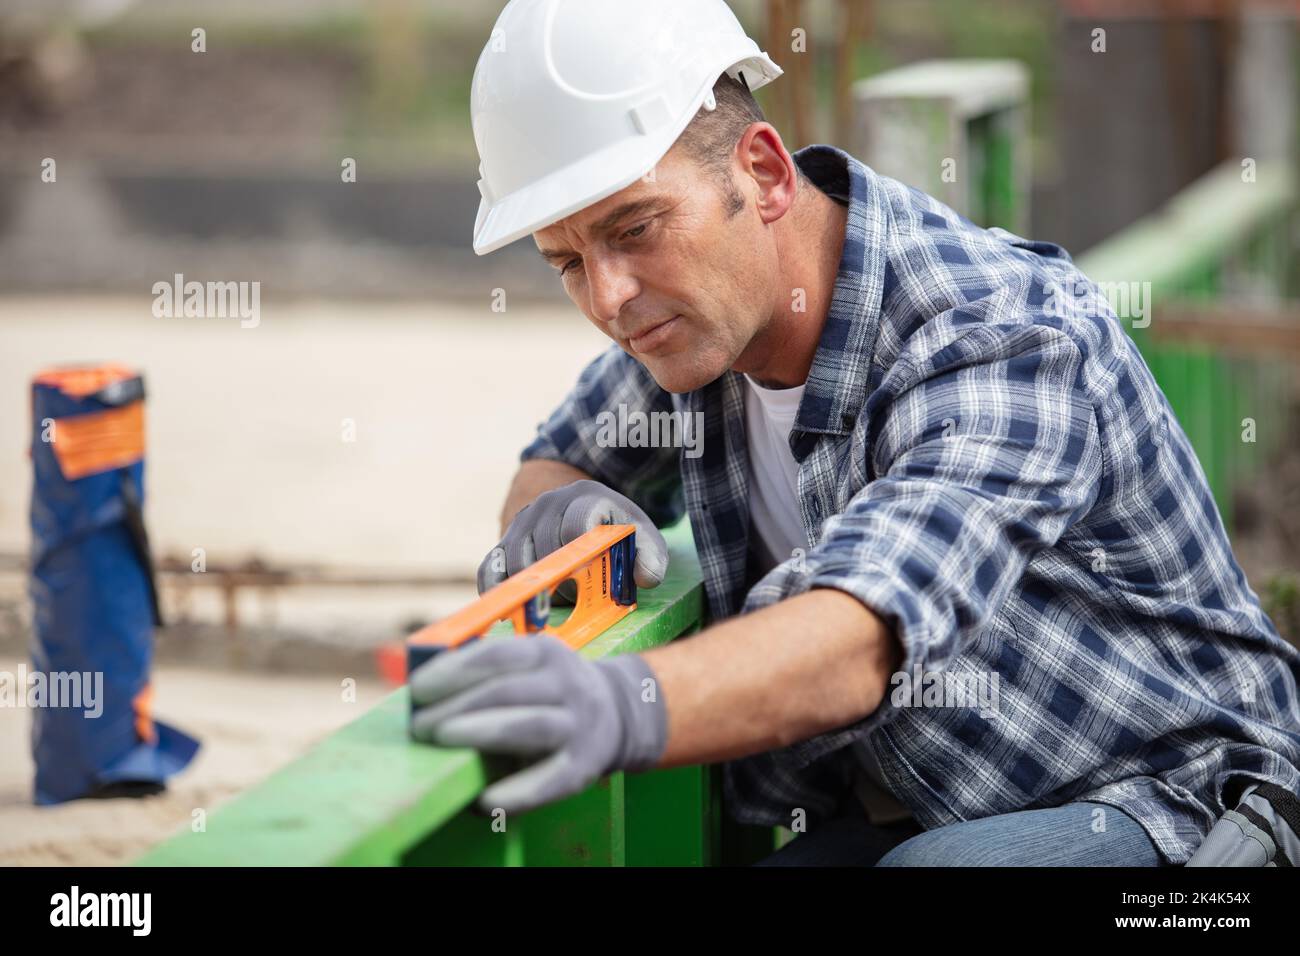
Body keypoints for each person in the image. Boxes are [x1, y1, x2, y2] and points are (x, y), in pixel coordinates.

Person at [408, 0, 1300, 866]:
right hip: (916, 803)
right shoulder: (697, 322)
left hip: (1177, 806)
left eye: (634, 229)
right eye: (567, 263)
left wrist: (624, 703)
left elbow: (859, 632)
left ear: (761, 172)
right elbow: (553, 458)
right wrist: (554, 507)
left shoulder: (1002, 335)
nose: (608, 299)